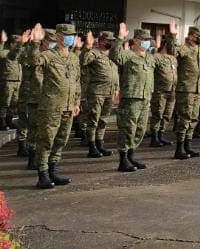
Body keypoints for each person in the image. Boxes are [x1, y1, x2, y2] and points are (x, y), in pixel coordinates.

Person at [28, 24, 81, 189]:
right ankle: (42, 175)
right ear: (58, 36)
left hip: (68, 107)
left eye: (72, 35)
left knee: (61, 140)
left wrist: (76, 102)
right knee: (46, 140)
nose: (70, 38)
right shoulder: (48, 55)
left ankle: (52, 172)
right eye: (67, 35)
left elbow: (76, 81)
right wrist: (35, 42)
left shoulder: (73, 57)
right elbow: (34, 61)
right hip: (51, 106)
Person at [111, 26, 156, 172]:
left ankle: (131, 156)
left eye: (148, 40)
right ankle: (123, 160)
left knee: (140, 129)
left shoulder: (149, 57)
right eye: (144, 40)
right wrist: (120, 38)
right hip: (131, 98)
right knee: (128, 129)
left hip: (145, 97)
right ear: (136, 41)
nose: (147, 42)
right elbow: (115, 56)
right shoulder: (128, 55)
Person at [80, 30, 120, 158]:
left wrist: (117, 89)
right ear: (101, 41)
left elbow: (115, 74)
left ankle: (100, 144)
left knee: (103, 120)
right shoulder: (94, 53)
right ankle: (92, 146)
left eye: (112, 41)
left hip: (109, 92)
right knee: (93, 120)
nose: (111, 43)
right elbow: (83, 61)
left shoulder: (112, 55)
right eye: (109, 41)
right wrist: (87, 47)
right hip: (97, 92)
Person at [173, 23, 200, 160]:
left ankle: (188, 145)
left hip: (198, 89)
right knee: (184, 119)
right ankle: (179, 148)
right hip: (186, 90)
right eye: (199, 37)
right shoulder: (184, 49)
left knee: (193, 118)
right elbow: (173, 50)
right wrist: (173, 36)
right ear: (192, 36)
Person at [20, 28, 47, 170]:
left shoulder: (49, 56)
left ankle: (39, 157)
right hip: (35, 97)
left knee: (43, 131)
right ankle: (32, 158)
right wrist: (33, 43)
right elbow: (32, 59)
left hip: (47, 98)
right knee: (34, 129)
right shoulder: (31, 54)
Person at [149, 35, 177, 147]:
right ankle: (154, 138)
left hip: (172, 91)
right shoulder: (156, 57)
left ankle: (161, 135)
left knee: (167, 115)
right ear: (166, 44)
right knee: (158, 114)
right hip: (160, 91)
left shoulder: (173, 58)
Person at [0, 31, 22, 131]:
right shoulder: (5, 53)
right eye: (17, 43)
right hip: (7, 81)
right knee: (5, 103)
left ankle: (9, 120)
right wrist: (2, 43)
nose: (19, 45)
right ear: (12, 44)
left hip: (17, 82)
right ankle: (2, 122)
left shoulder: (19, 54)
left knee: (14, 103)